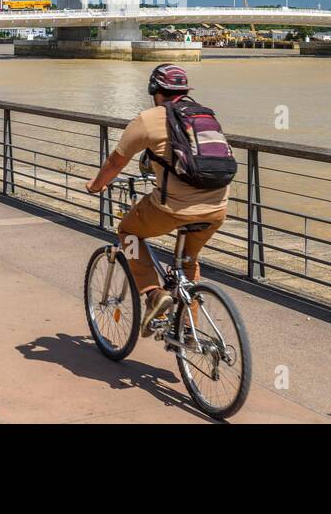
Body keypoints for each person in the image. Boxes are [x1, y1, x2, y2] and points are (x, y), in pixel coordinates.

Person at [86, 64, 230, 337]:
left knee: (128, 232)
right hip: (218, 207)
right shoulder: (205, 116)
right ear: (185, 91)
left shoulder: (149, 118)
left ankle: (153, 295)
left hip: (173, 207)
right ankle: (189, 332)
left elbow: (116, 160)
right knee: (188, 261)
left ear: (154, 90)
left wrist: (96, 185)